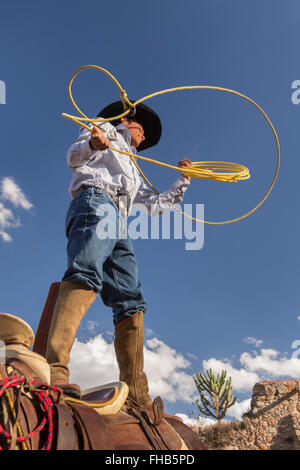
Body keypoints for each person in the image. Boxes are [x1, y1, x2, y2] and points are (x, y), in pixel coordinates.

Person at [34, 100, 193, 410]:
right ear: (126, 121)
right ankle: (54, 369)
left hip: (117, 217)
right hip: (95, 201)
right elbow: (74, 157)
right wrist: (95, 143)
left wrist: (184, 179)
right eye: (142, 129)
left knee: (131, 297)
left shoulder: (133, 166)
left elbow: (156, 205)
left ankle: (136, 392)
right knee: (85, 271)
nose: (144, 137)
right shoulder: (103, 128)